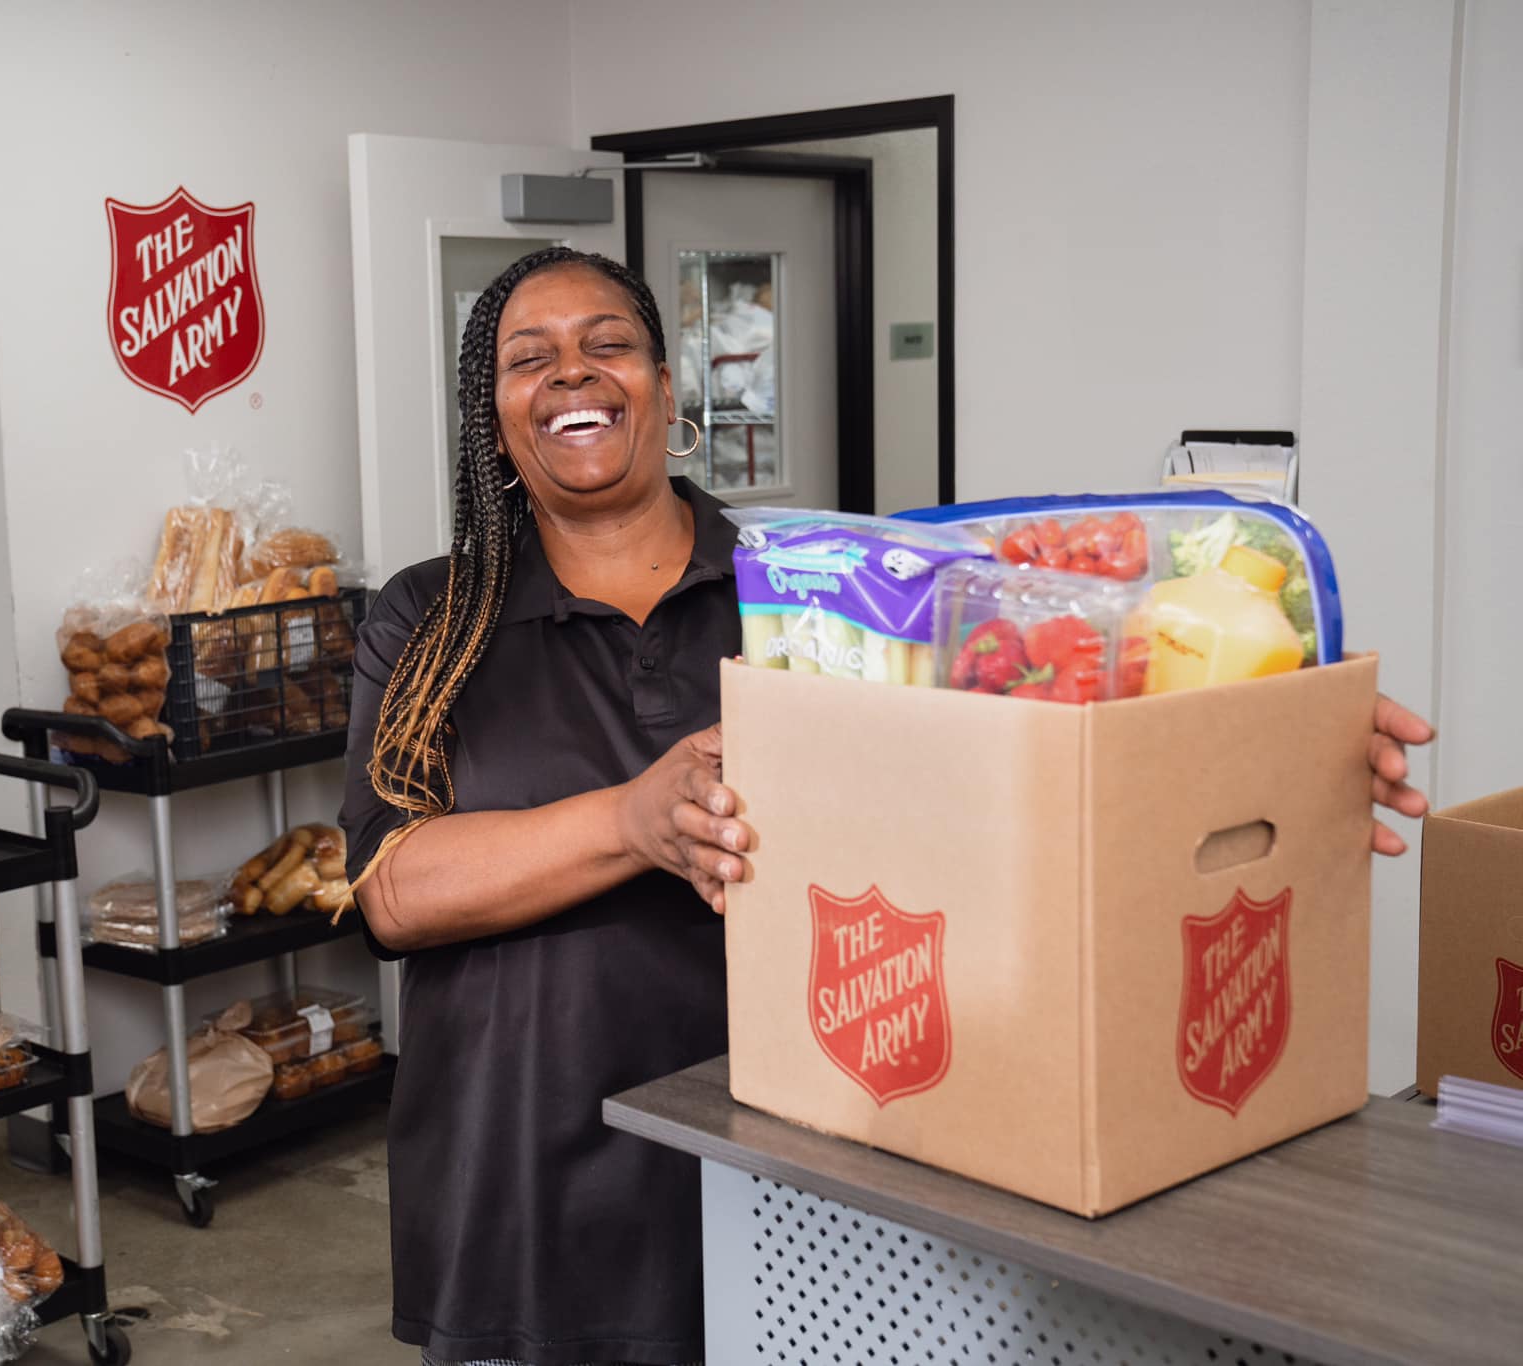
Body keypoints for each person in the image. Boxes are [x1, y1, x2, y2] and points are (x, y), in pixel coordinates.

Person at [338, 246, 1434, 1366]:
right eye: (530, 359)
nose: (573, 374)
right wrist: (629, 820)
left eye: (607, 344)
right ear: (494, 410)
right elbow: (392, 893)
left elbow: (1040, 734)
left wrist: (1280, 730)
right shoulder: (430, 618)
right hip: (522, 1189)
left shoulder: (814, 584)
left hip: (809, 1152)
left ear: (665, 387)